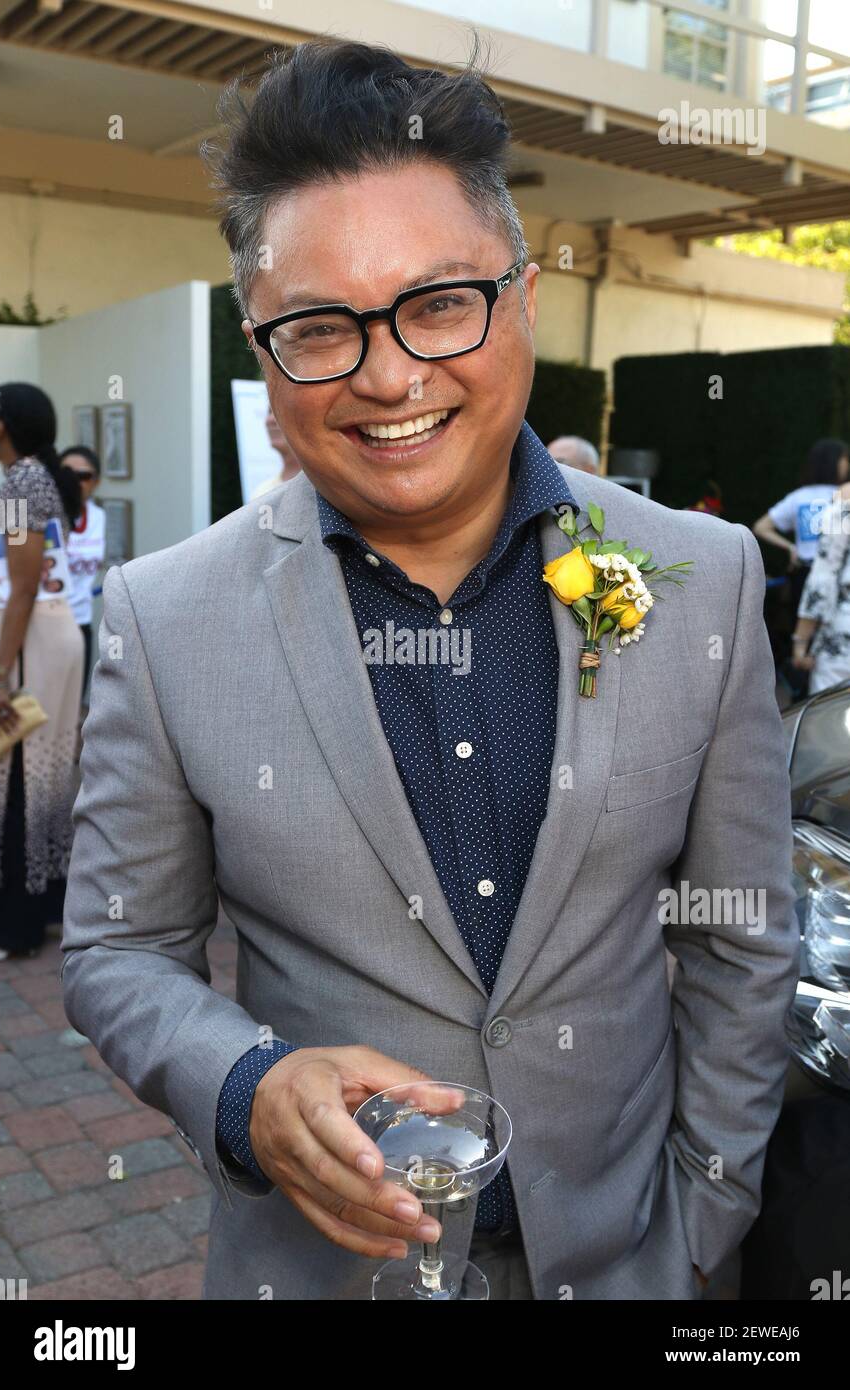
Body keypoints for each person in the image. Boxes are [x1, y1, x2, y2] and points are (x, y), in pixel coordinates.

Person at [62, 40, 798, 1301]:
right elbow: (117, 952)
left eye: (438, 302)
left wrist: (697, 1220)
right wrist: (244, 1087)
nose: (391, 375)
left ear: (518, 296)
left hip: (634, 1263)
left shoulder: (700, 578)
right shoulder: (165, 614)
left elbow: (740, 944)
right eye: (318, 327)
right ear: (261, 352)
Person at [0, 383, 84, 962]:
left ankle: (15, 926)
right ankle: (45, 905)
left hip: (30, 641)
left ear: (2, 425)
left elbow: (20, 588)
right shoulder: (38, 479)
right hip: (48, 634)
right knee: (41, 773)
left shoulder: (20, 482)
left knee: (16, 767)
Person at [753, 438, 849, 609]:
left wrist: (791, 547)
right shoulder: (845, 495)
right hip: (839, 573)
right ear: (833, 462)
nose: (847, 465)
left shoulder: (798, 497)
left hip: (804, 575)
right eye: (844, 459)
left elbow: (761, 527)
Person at [791, 492, 850, 692]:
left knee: (830, 719)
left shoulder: (843, 512)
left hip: (842, 644)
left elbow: (822, 580)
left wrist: (801, 642)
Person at [60, 445, 106, 699]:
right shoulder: (44, 516)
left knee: (75, 702)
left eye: (84, 476)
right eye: (67, 474)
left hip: (81, 620)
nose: (76, 483)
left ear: (96, 482)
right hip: (46, 623)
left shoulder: (99, 517)